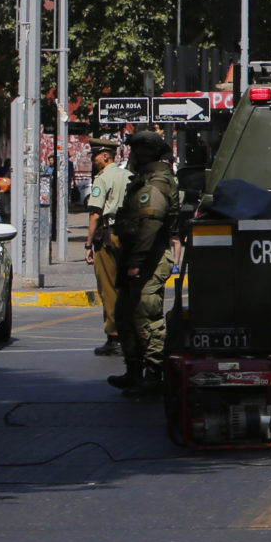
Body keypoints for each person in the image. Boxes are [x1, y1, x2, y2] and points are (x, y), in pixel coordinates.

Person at [107, 132, 179, 396]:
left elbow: (150, 225)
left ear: (143, 154)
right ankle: (134, 371)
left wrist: (136, 262)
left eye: (134, 152)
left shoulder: (155, 184)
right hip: (136, 258)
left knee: (146, 318)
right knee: (125, 315)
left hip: (149, 259)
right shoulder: (144, 180)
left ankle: (153, 375)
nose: (131, 157)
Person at [85, 142, 132, 358]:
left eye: (95, 156)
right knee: (128, 286)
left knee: (109, 287)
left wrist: (88, 243)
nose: (93, 160)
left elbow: (95, 213)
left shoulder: (102, 178)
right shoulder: (128, 176)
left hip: (108, 235)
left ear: (106, 156)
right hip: (128, 235)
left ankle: (115, 337)